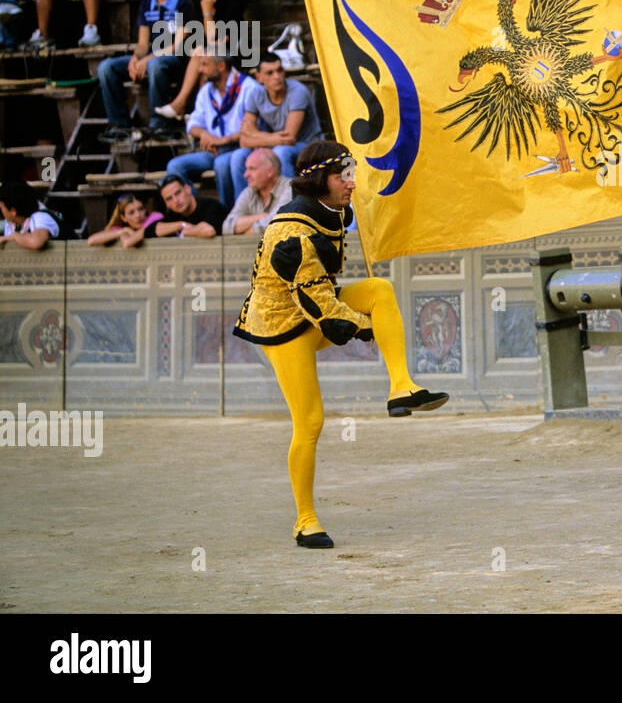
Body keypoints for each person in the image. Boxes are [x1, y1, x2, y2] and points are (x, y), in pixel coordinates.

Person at [232, 140, 449, 548]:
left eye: (352, 174)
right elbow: (320, 305)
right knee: (310, 422)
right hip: (284, 325)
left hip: (315, 305)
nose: (351, 183)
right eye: (342, 176)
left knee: (379, 290)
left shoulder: (329, 210)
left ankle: (401, 387)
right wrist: (366, 327)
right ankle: (304, 519)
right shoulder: (292, 232)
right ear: (319, 180)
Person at [96, 0, 193, 141]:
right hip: (152, 57)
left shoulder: (181, 2)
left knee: (155, 65)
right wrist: (135, 59)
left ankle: (158, 125)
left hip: (175, 58)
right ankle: (119, 124)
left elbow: (178, 45)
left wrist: (147, 59)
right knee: (106, 68)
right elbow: (142, 44)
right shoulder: (145, 5)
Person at [165, 50, 256, 207]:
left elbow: (253, 128)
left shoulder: (248, 87)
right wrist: (205, 134)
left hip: (240, 147)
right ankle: (197, 210)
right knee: (175, 166)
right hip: (213, 150)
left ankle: (230, 212)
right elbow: (192, 124)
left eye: (205, 65)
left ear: (221, 66)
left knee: (223, 163)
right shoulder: (206, 91)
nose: (200, 70)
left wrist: (221, 140)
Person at [229, 52, 324, 200]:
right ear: (259, 78)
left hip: (308, 145)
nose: (277, 76)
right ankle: (243, 210)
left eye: (280, 70)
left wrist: (254, 134)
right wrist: (272, 138)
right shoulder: (255, 95)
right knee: (238, 156)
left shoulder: (298, 92)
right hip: (277, 144)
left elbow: (290, 138)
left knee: (281, 152)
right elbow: (244, 141)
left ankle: (288, 206)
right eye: (270, 73)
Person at [156, 0, 246, 122]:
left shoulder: (230, 2)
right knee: (200, 57)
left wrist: (207, 13)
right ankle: (200, 112)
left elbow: (216, 40)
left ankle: (181, 104)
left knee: (203, 55)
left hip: (233, 54)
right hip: (202, 57)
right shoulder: (193, 7)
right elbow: (180, 41)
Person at [223, 148, 292, 235]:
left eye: (252, 169)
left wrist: (246, 233)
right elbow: (226, 227)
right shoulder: (249, 191)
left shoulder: (289, 188)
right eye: (246, 169)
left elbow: (276, 223)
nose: (246, 174)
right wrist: (262, 216)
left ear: (269, 172)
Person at [146, 174, 227, 239]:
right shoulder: (174, 214)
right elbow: (150, 231)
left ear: (188, 189)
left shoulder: (211, 206)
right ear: (166, 203)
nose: (175, 200)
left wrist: (185, 232)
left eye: (178, 193)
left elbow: (209, 231)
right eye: (169, 198)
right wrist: (181, 224)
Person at [0, 181, 61, 249]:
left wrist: (14, 236)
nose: (1, 211)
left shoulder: (40, 217)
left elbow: (36, 242)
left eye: (1, 208)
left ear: (13, 211)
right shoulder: (11, 223)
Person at [87, 193, 161, 247]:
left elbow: (129, 241)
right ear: (124, 218)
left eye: (141, 209)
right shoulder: (123, 229)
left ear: (145, 209)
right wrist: (123, 231)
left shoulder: (155, 218)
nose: (138, 215)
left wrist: (127, 233)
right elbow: (91, 240)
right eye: (131, 212)